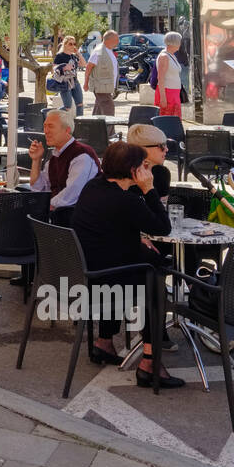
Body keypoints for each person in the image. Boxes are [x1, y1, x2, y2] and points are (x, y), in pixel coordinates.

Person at [71, 142, 179, 388]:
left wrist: (138, 238)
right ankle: (150, 362)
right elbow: (163, 228)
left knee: (148, 262)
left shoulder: (93, 187)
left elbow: (111, 225)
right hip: (105, 280)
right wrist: (149, 189)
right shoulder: (126, 201)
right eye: (143, 165)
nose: (147, 169)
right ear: (133, 171)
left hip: (86, 273)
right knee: (154, 282)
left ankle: (104, 342)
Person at [27, 109, 99, 225]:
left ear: (67, 130)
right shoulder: (55, 157)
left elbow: (71, 194)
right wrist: (36, 160)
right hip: (59, 217)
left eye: (51, 126)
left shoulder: (81, 154)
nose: (46, 131)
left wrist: (44, 206)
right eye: (45, 126)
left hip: (80, 221)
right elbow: (38, 189)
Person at [126, 123, 171, 199]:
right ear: (143, 149)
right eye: (161, 146)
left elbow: (162, 206)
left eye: (166, 145)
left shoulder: (162, 173)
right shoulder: (123, 175)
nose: (166, 149)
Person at [84, 30, 120, 117]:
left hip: (106, 85)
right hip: (101, 86)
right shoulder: (99, 51)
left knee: (99, 110)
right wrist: (86, 83)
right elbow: (89, 67)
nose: (118, 42)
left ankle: (95, 129)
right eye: (116, 40)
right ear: (109, 40)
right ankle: (110, 130)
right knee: (108, 109)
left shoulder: (108, 50)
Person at [51, 36, 86, 116]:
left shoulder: (73, 56)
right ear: (65, 44)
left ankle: (80, 124)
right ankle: (53, 116)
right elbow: (53, 69)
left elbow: (84, 64)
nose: (73, 45)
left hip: (75, 82)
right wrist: (64, 68)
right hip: (65, 83)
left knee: (80, 104)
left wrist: (78, 53)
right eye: (70, 44)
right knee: (67, 107)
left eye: (74, 44)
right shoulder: (60, 56)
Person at [156, 32, 183, 117]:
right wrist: (163, 98)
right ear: (175, 43)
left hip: (173, 92)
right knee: (167, 118)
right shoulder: (164, 56)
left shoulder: (171, 55)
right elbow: (160, 78)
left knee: (174, 118)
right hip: (167, 92)